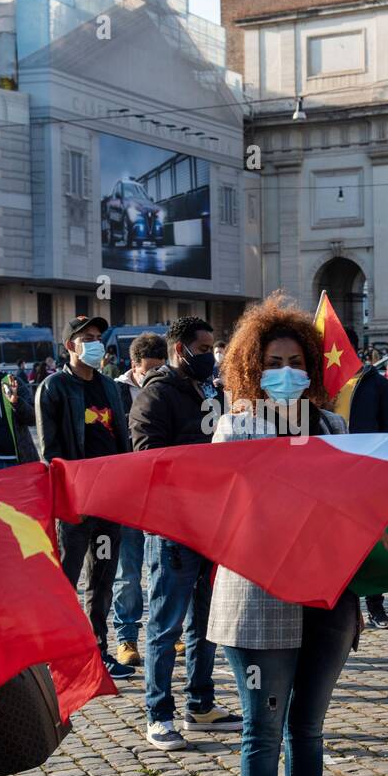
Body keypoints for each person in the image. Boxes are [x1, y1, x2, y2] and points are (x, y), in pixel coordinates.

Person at [209, 296, 357, 776]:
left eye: (296, 362)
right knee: (262, 731)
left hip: (327, 596)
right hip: (257, 597)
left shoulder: (334, 424)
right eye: (273, 363)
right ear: (252, 367)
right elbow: (228, 514)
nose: (286, 373)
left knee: (309, 730)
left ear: (313, 368)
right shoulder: (233, 429)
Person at [130, 316, 242, 749]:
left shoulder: (208, 390)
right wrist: (199, 464)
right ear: (180, 351)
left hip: (212, 523)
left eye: (213, 349)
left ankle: (200, 704)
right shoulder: (155, 395)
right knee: (165, 623)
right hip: (174, 526)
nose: (209, 357)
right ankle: (158, 712)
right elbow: (145, 457)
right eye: (202, 349)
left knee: (206, 619)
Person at [37, 316, 133, 680]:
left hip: (109, 500)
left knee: (102, 578)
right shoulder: (54, 388)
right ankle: (58, 653)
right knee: (67, 578)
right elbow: (50, 453)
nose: (95, 343)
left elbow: (122, 441)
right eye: (86, 338)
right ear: (70, 346)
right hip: (75, 504)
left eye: (98, 337)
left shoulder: (110, 387)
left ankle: (98, 650)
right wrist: (70, 494)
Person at [110, 333, 168, 667]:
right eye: (149, 369)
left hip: (161, 494)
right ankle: (126, 637)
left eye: (161, 368)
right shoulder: (115, 392)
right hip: (128, 493)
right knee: (128, 571)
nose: (154, 376)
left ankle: (167, 633)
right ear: (134, 366)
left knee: (164, 569)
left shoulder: (172, 389)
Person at [341, 326, 388, 629]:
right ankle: (340, 609)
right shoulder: (316, 387)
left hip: (368, 480)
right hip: (329, 483)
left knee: (371, 546)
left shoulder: (379, 386)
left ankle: (376, 607)